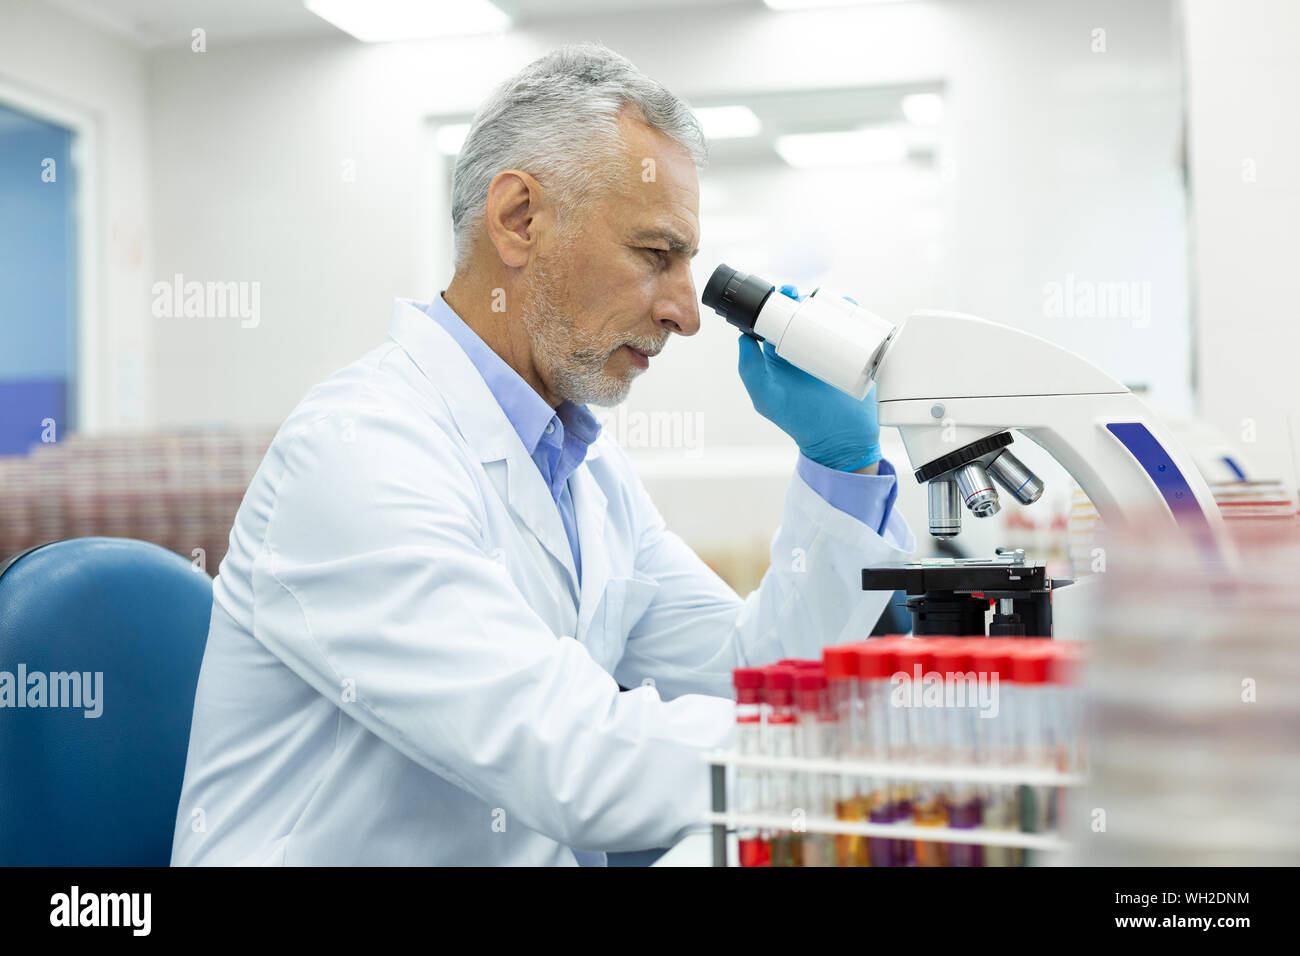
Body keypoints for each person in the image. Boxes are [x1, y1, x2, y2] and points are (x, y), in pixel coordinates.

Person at [171, 42, 914, 866]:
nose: (686, 312)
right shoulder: (356, 455)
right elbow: (575, 761)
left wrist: (839, 470)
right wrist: (879, 752)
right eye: (655, 255)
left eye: (688, 264)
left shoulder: (582, 467)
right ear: (520, 220)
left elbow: (746, 672)